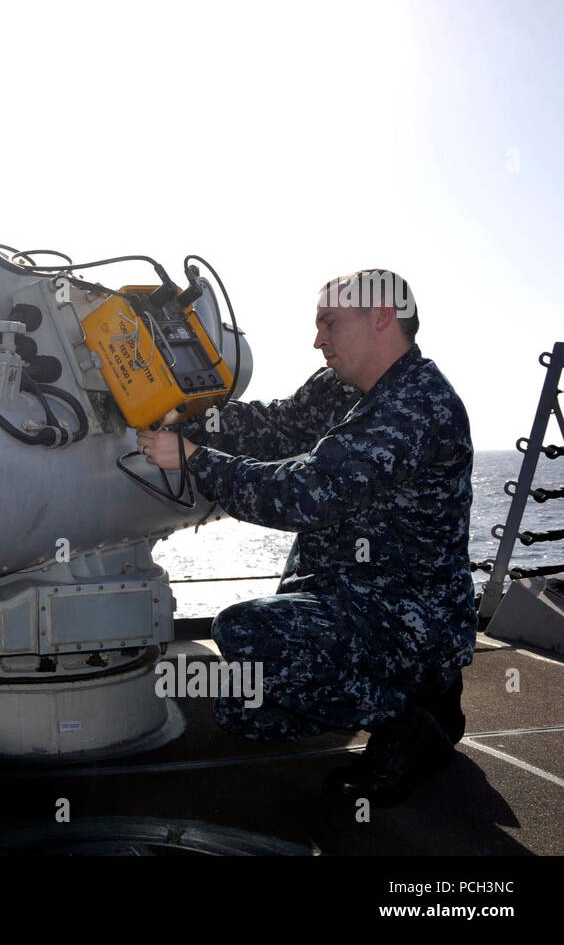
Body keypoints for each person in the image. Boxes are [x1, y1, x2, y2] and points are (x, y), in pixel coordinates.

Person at [136, 269, 477, 806]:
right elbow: (278, 427)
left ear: (381, 317)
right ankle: (427, 695)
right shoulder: (342, 387)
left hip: (407, 611)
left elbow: (304, 495)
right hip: (348, 595)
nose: (318, 338)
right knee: (242, 711)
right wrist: (186, 419)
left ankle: (408, 726)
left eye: (329, 322)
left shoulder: (415, 407)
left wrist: (194, 460)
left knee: (248, 631)